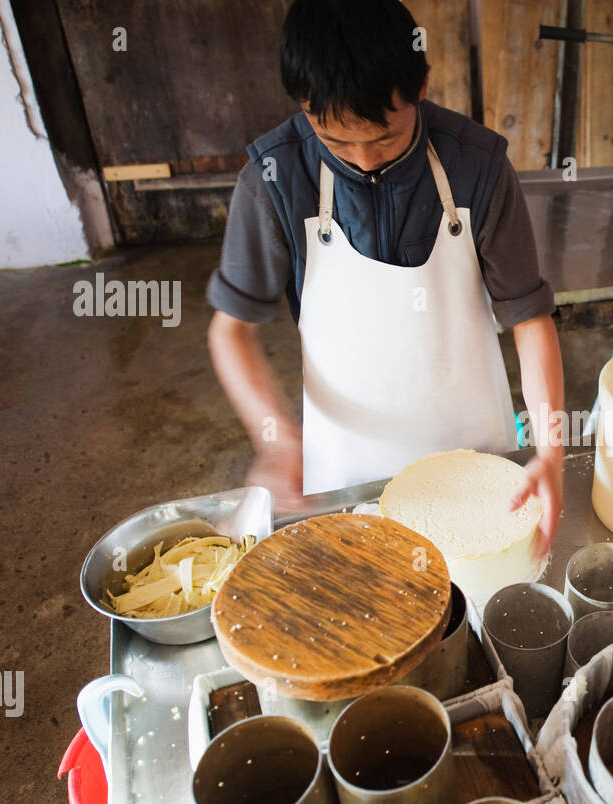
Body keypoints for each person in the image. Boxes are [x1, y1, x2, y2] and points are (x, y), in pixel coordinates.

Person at [207, 0, 564, 556]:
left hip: (477, 465)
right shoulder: (274, 178)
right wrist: (275, 439)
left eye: (385, 137)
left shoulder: (479, 167)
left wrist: (550, 453)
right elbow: (230, 331)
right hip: (347, 471)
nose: (364, 158)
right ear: (304, 107)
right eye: (336, 141)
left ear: (421, 86)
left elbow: (530, 317)